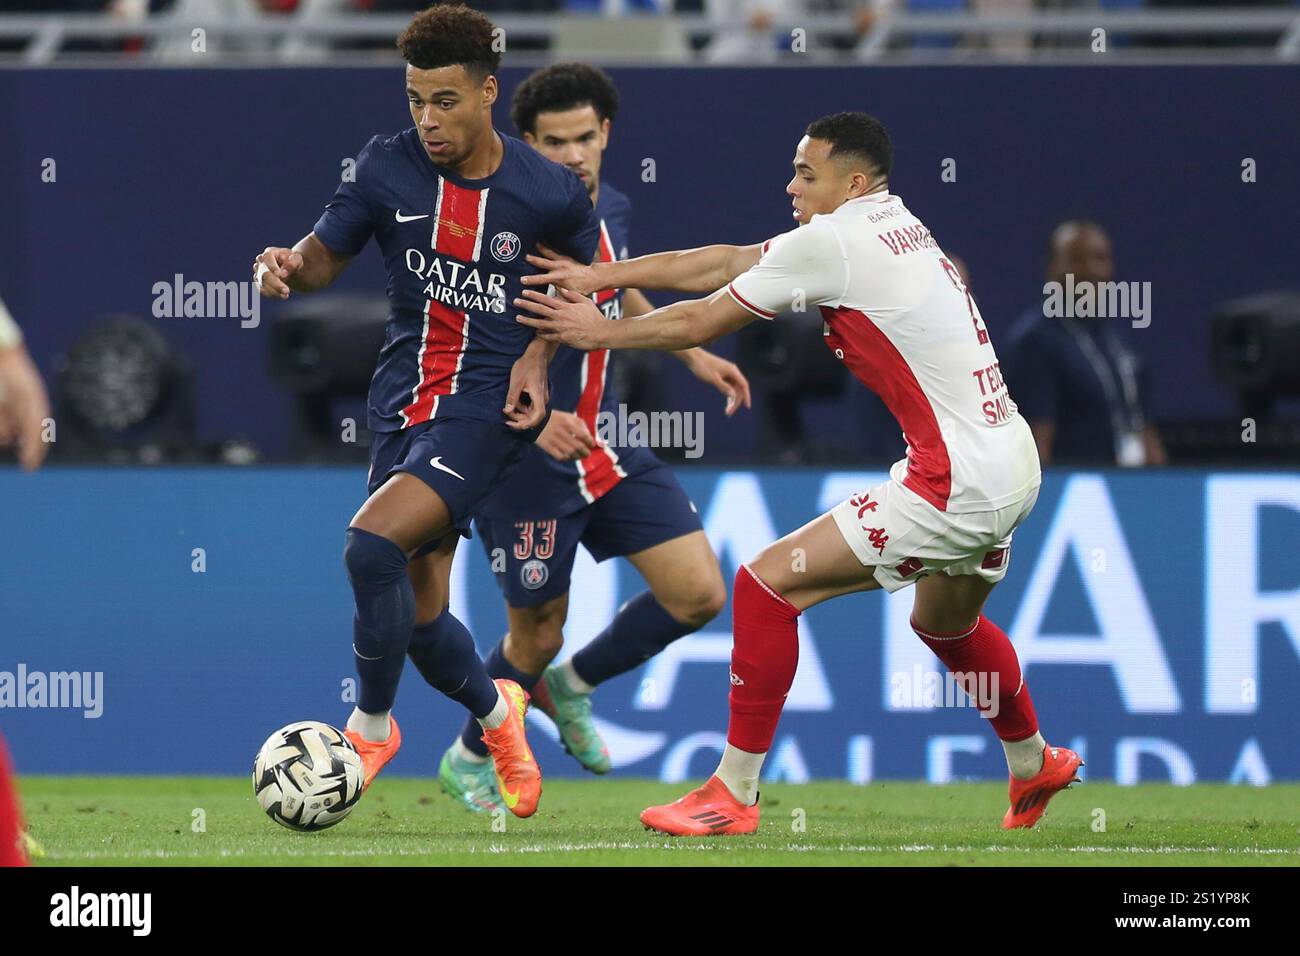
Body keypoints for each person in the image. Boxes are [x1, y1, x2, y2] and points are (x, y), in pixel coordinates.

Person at [517, 111, 1082, 834]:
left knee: (763, 585)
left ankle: (733, 794)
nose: (790, 185)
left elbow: (700, 319)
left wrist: (604, 330)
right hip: (1010, 463)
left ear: (851, 181)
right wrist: (603, 273)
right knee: (946, 622)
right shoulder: (892, 222)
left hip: (955, 482)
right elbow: (725, 260)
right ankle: (1035, 764)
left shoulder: (835, 242)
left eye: (806, 175)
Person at [251, 3, 604, 818]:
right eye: (415, 99)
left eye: (445, 100)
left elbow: (581, 295)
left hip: (486, 412)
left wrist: (539, 356)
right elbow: (318, 262)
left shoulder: (547, 192)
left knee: (369, 546)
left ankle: (371, 727)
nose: (427, 119)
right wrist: (282, 264)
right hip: (402, 405)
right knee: (417, 611)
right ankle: (498, 713)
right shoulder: (385, 166)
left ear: (488, 91)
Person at [437, 63, 752, 811]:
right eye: (554, 142)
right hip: (523, 453)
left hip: (600, 441)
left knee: (700, 593)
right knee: (535, 634)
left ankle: (569, 689)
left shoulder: (606, 200)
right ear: (525, 142)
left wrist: (692, 351)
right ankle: (467, 756)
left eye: (585, 137)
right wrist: (538, 419)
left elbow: (614, 279)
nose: (573, 155)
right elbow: (455, 348)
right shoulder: (501, 222)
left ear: (605, 133)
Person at [1002, 220, 1167, 467]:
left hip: (1132, 485)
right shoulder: (1034, 343)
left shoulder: (1118, 341)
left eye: (1100, 258)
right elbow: (1036, 448)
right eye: (1076, 259)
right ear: (1051, 268)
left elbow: (1143, 428)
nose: (1091, 270)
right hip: (1078, 494)